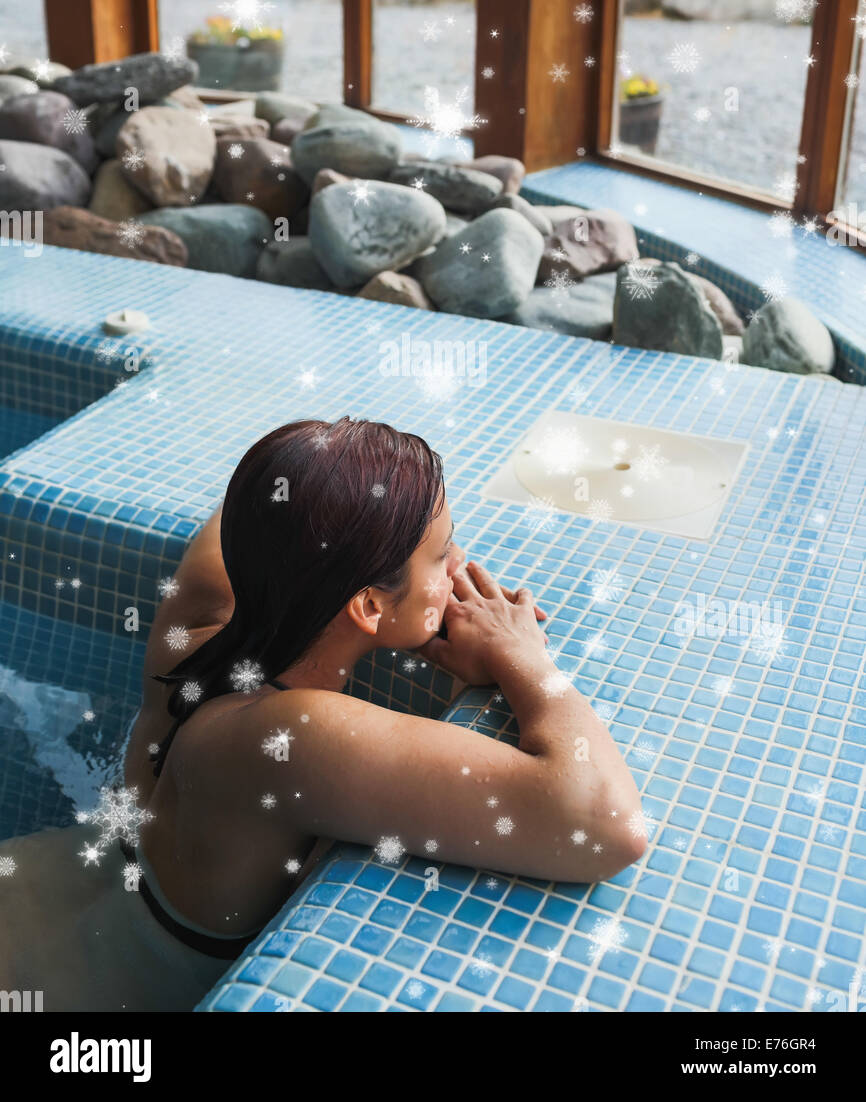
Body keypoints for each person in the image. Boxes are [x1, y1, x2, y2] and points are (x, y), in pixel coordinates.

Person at [0, 416, 646, 1011]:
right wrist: (520, 654)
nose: (461, 569)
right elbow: (606, 827)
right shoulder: (286, 738)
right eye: (443, 554)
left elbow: (263, 504)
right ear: (367, 605)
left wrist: (387, 537)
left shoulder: (199, 625)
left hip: (48, 891)